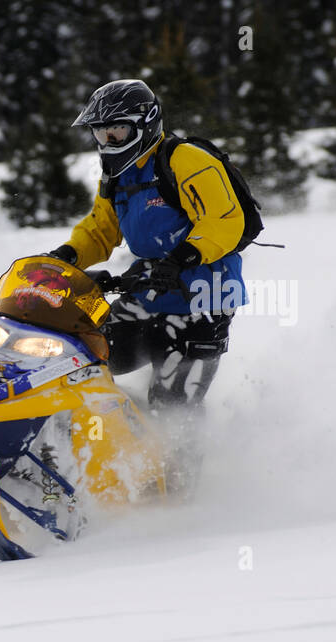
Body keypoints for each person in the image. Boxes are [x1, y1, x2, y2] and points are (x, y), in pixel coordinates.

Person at [43, 79, 246, 407]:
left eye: (117, 132)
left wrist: (184, 256)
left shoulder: (186, 161)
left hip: (204, 298)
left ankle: (187, 455)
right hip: (149, 292)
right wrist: (68, 255)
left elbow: (223, 221)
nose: (108, 142)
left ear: (145, 124)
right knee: (82, 360)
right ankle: (107, 434)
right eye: (100, 134)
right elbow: (100, 229)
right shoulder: (118, 175)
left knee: (172, 406)